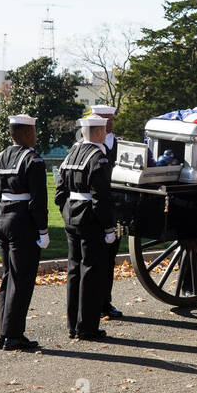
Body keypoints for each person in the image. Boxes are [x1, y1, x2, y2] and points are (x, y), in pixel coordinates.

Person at [0, 114, 49, 351]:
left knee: (7, 277)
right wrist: (42, 230)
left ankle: (4, 333)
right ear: (23, 134)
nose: (35, 136)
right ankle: (13, 335)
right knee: (21, 280)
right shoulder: (33, 161)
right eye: (32, 132)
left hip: (2, 219)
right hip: (22, 222)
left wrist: (2, 218)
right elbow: (37, 202)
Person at [55, 114, 115, 341]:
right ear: (99, 132)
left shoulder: (72, 153)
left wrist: (67, 212)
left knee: (74, 271)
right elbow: (101, 197)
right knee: (91, 272)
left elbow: (60, 192)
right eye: (104, 130)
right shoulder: (98, 157)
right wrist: (108, 227)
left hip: (72, 216)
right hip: (90, 219)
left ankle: (73, 325)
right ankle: (87, 327)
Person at [90, 104, 124, 322]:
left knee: (109, 258)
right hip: (94, 208)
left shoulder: (120, 144)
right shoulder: (88, 147)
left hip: (114, 207)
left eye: (112, 118)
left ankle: (105, 301)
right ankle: (92, 303)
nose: (110, 123)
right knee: (95, 259)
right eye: (106, 119)